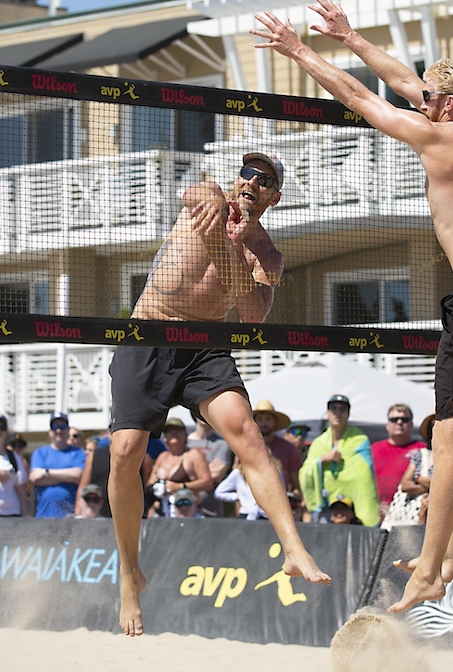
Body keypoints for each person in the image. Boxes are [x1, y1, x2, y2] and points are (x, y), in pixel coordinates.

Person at [253, 0, 453, 611]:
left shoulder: (439, 139)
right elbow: (406, 81)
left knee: (449, 438)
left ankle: (428, 575)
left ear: (452, 104)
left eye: (434, 97)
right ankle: (446, 560)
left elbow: (361, 100)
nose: (424, 99)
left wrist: (300, 51)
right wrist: (351, 36)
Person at [107, 153, 330, 636]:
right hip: (149, 330)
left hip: (203, 346)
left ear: (274, 196)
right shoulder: (209, 197)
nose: (251, 181)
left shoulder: (267, 254)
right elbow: (195, 193)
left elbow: (253, 315)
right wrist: (209, 199)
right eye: (247, 173)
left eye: (264, 179)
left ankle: (293, 546)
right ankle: (129, 571)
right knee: (125, 452)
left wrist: (237, 243)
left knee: (248, 433)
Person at [299, 394, 380, 527]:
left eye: (342, 409)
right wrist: (322, 460)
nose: (337, 413)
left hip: (353, 510)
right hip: (327, 507)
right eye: (333, 409)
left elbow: (365, 478)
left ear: (348, 413)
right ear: (327, 413)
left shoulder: (360, 440)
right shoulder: (318, 444)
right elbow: (304, 472)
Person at [146, 417, 213, 516]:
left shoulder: (193, 455)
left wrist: (181, 486)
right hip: (162, 512)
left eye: (177, 430)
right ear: (165, 437)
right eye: (169, 431)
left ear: (186, 434)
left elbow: (208, 483)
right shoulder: (162, 457)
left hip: (187, 512)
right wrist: (157, 488)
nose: (173, 433)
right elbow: (149, 483)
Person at [371, 404, 426, 518]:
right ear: (387, 425)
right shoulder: (374, 449)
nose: (399, 422)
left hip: (406, 513)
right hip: (375, 513)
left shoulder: (422, 451)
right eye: (394, 419)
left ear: (411, 424)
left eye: (404, 419)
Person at [30, 412, 87, 518]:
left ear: (68, 429)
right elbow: (36, 478)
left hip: (70, 515)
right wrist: (67, 476)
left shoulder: (79, 453)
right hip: (44, 515)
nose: (58, 430)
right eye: (55, 427)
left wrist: (46, 472)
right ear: (49, 431)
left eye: (62, 427)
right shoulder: (40, 453)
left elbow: (79, 475)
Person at [252, 399, 303, 506]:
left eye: (268, 419)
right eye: (260, 419)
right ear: (254, 422)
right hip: (252, 503)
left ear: (275, 422)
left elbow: (295, 482)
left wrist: (296, 499)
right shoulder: (246, 447)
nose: (264, 423)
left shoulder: (288, 448)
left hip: (280, 502)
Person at [187, 414, 233, 517]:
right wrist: (208, 468)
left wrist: (190, 471)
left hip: (211, 511)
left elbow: (217, 475)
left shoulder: (222, 443)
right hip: (184, 508)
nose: (204, 415)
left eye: (208, 412)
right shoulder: (184, 442)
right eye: (200, 412)